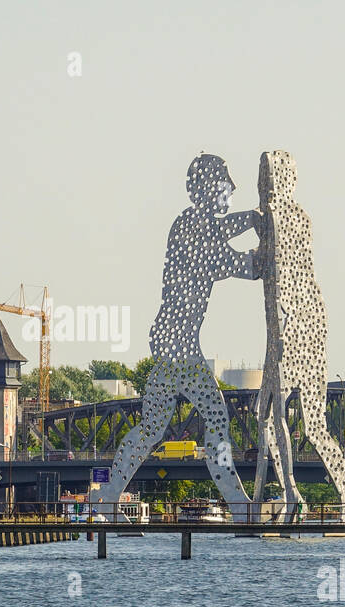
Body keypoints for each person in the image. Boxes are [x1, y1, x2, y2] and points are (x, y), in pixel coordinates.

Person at [89, 153, 261, 520]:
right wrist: (265, 247)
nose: (231, 188)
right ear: (210, 187)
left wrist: (253, 220)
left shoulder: (191, 224)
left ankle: (107, 496)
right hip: (178, 346)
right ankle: (239, 506)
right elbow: (233, 263)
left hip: (171, 341)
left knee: (152, 428)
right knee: (215, 418)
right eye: (225, 183)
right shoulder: (191, 228)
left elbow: (224, 231)